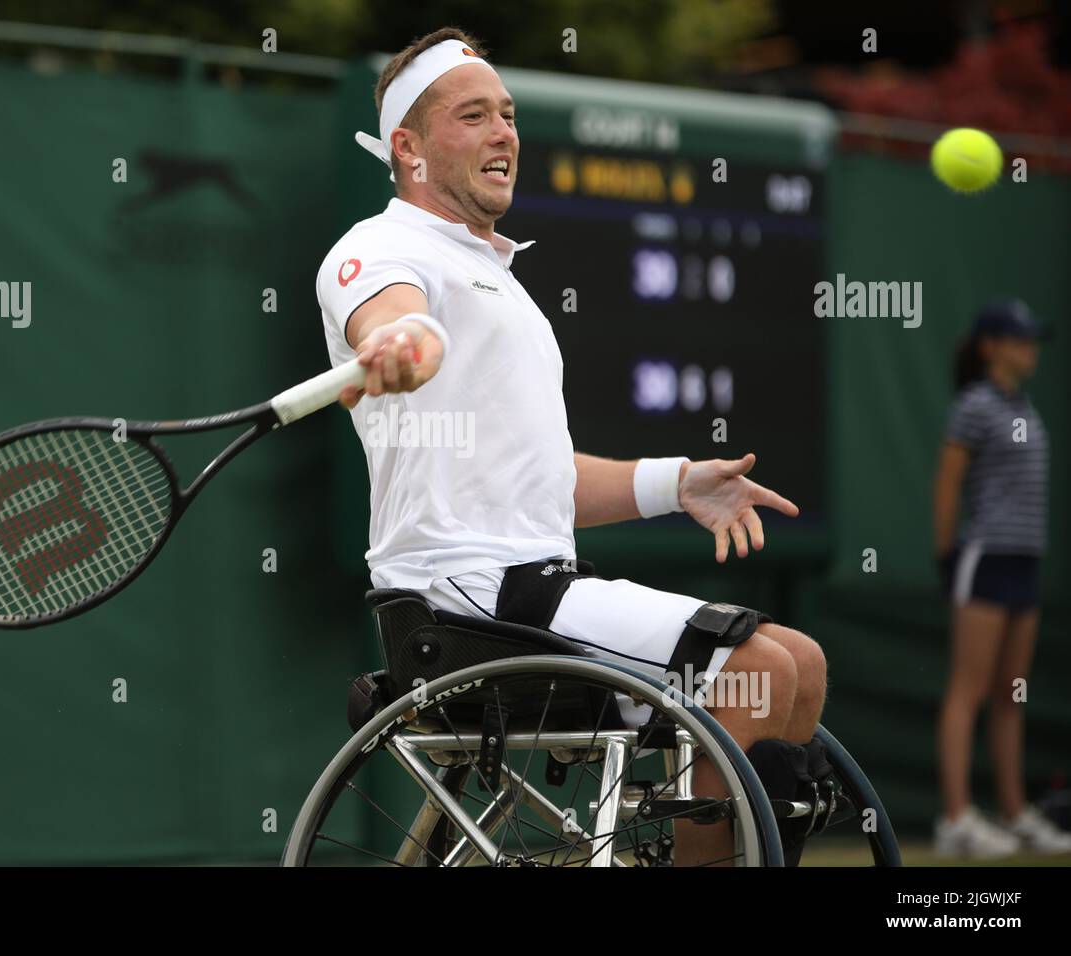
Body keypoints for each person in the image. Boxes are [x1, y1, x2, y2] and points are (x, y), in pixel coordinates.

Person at [316, 28, 827, 866]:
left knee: (798, 664)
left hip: (534, 590)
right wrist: (402, 340)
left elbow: (543, 476)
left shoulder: (499, 281)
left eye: (508, 116)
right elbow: (391, 317)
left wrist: (677, 483)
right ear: (408, 148)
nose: (504, 134)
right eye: (473, 115)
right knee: (758, 670)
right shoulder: (381, 249)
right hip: (462, 602)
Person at [932, 299, 1071, 858]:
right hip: (984, 560)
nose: (1030, 348)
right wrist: (947, 556)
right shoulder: (974, 406)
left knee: (1012, 693)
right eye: (1020, 338)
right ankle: (957, 819)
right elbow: (947, 485)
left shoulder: (1024, 407)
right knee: (968, 690)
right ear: (992, 346)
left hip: (1025, 562)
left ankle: (1013, 814)